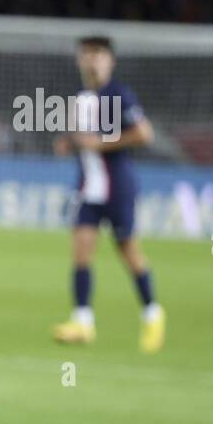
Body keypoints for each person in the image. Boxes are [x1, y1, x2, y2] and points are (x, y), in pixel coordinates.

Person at [52, 36, 164, 353]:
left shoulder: (120, 94)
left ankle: (153, 313)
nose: (92, 60)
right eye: (86, 54)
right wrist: (68, 143)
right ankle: (82, 322)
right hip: (89, 187)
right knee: (81, 250)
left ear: (110, 61)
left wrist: (101, 143)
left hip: (117, 186)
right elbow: (81, 139)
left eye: (98, 54)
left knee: (128, 251)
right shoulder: (79, 98)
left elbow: (143, 133)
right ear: (79, 60)